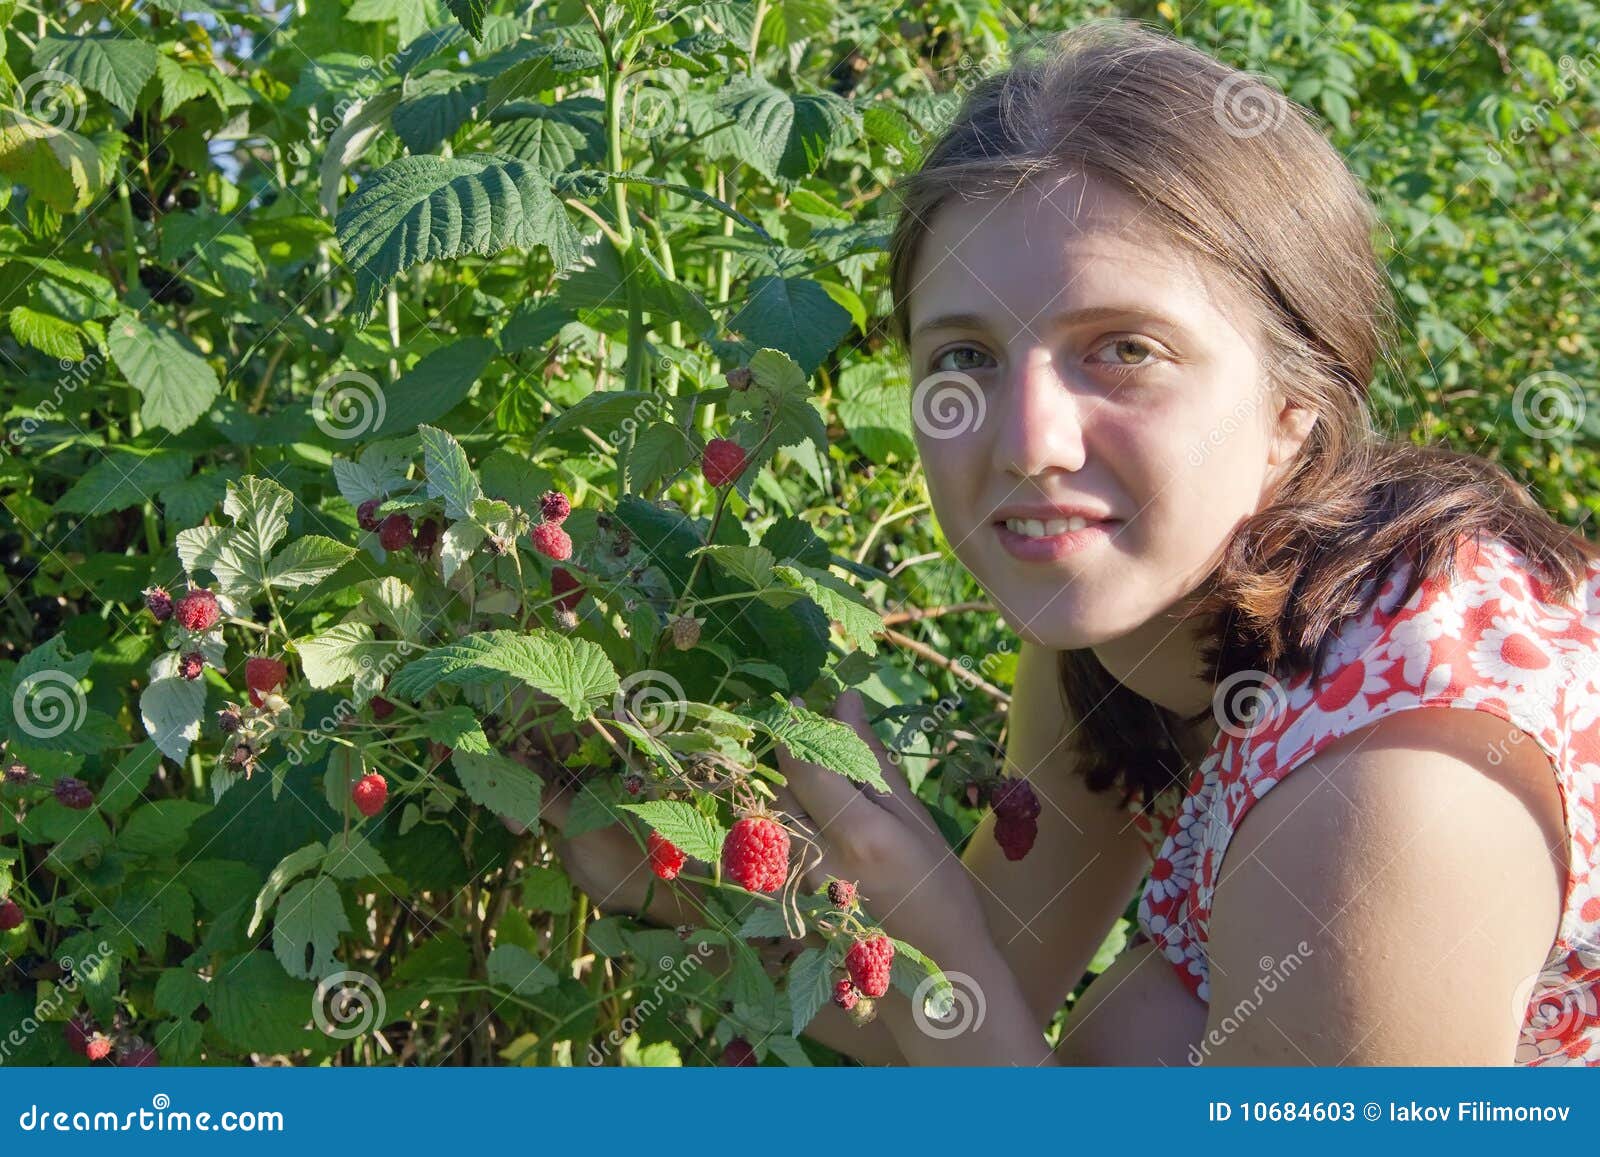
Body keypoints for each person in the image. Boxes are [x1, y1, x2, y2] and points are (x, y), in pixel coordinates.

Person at [525, 21, 1600, 1065]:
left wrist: (922, 918)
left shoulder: (1390, 796)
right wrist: (676, 884)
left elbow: (956, 992)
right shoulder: (1131, 630)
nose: (1029, 444)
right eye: (965, 357)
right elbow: (969, 1009)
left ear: (1295, 405)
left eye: (1123, 350)